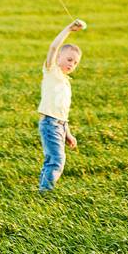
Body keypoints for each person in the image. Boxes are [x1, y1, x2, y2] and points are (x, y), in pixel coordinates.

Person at [38, 19, 85, 191]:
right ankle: (45, 192)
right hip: (49, 124)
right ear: (58, 57)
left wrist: (68, 134)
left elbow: (62, 113)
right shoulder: (51, 71)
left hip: (59, 125)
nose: (72, 64)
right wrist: (69, 29)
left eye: (75, 63)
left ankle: (43, 190)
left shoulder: (66, 82)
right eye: (69, 59)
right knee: (57, 161)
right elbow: (53, 47)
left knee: (52, 160)